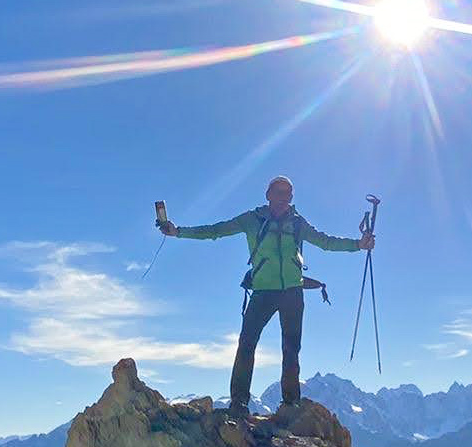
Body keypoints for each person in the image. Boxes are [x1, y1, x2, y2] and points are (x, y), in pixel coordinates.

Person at [160, 176, 373, 413]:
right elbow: (215, 230)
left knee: (290, 349)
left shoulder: (297, 223)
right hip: (263, 291)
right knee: (247, 344)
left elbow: (325, 242)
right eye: (279, 192)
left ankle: (290, 403)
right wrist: (178, 232)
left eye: (288, 194)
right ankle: (240, 403)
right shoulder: (252, 219)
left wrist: (358, 245)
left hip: (292, 291)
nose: (284, 198)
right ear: (268, 195)